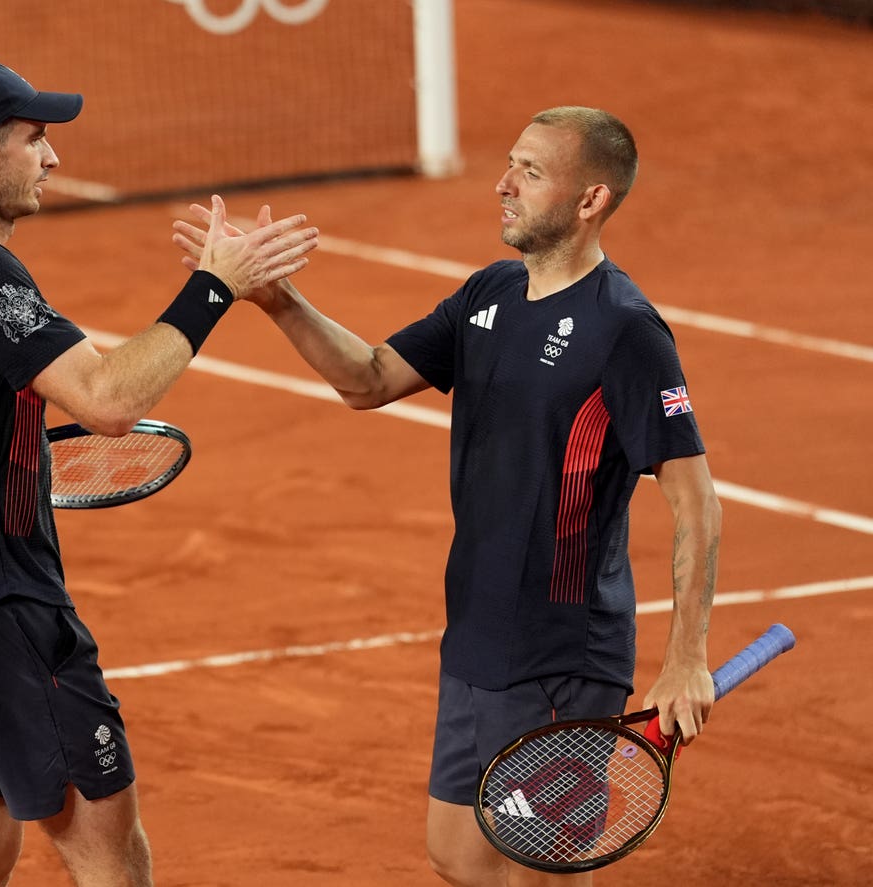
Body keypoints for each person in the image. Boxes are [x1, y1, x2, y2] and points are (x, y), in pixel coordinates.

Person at [173, 106, 722, 886]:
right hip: (476, 631)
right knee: (458, 853)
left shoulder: (625, 331)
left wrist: (686, 658)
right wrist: (278, 299)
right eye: (510, 164)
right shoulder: (489, 293)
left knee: (542, 867)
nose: (503, 184)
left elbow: (696, 501)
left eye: (530, 172)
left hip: (561, 650)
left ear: (590, 199)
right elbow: (368, 378)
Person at [0, 59, 317, 887]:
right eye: (36, 139)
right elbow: (108, 399)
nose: (53, 157)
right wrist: (215, 286)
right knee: (109, 856)